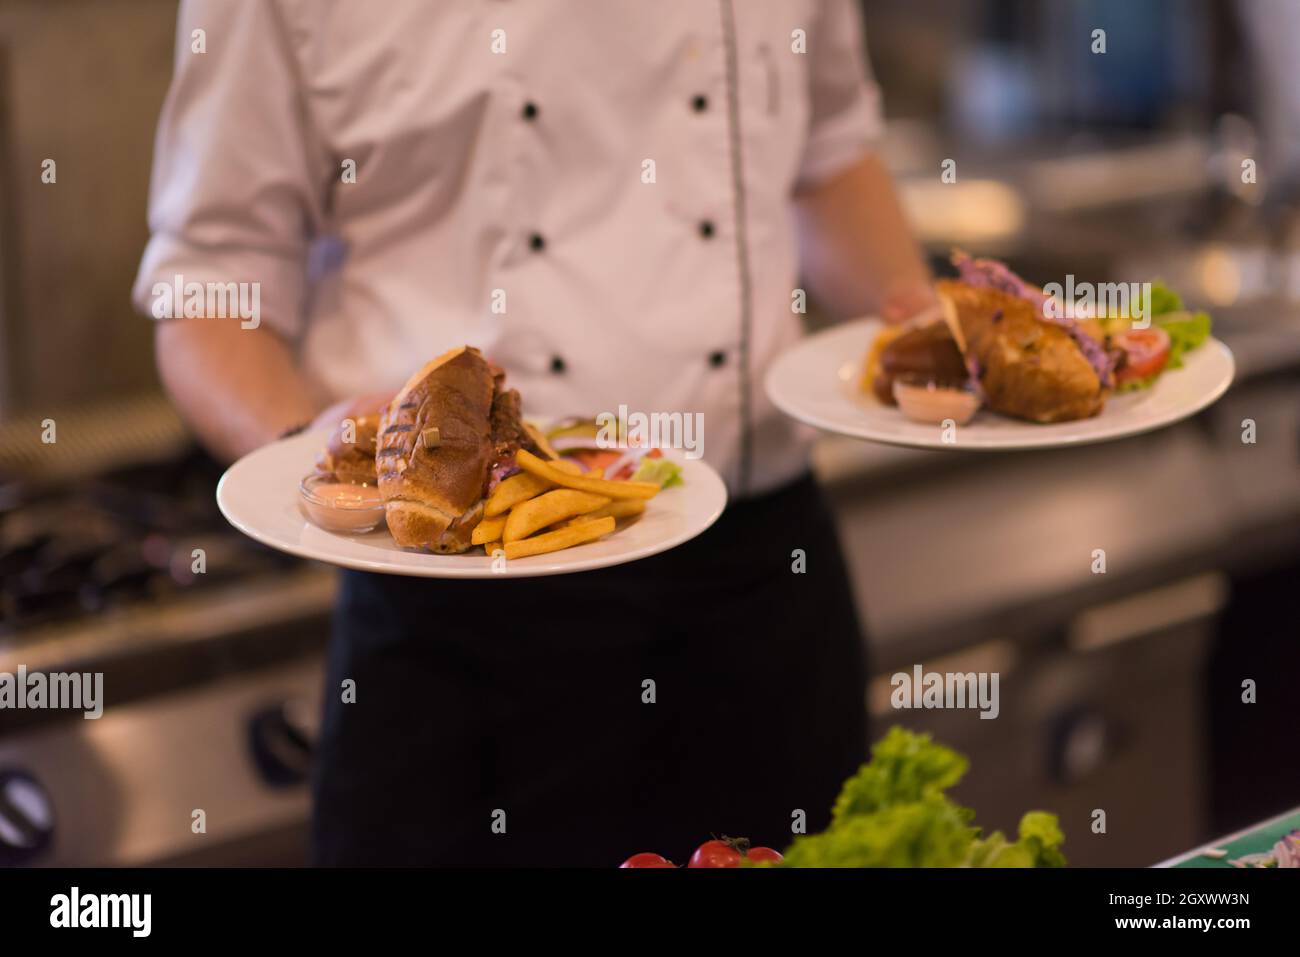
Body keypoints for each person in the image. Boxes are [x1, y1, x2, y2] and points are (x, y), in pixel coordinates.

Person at [135, 0, 935, 866]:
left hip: (764, 596)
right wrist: (312, 444)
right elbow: (209, 286)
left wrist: (938, 330)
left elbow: (829, 159)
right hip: (459, 619)